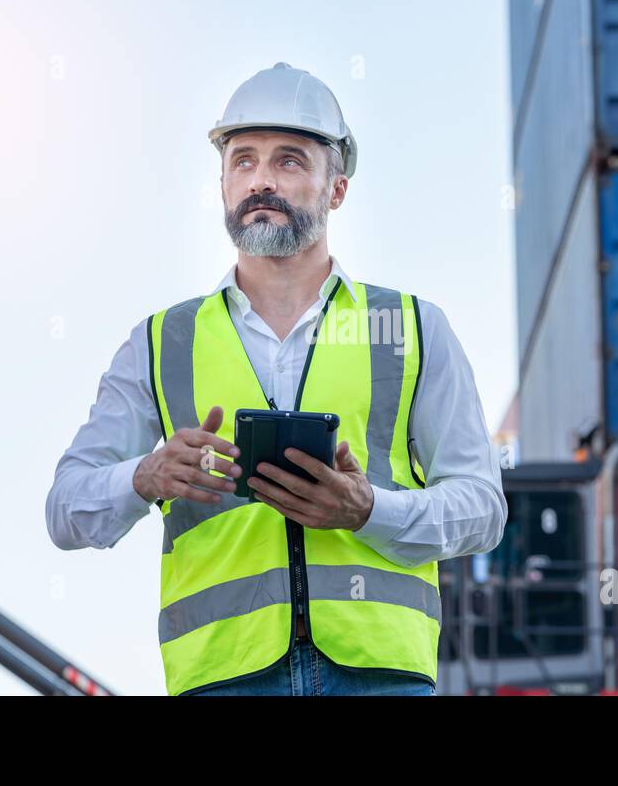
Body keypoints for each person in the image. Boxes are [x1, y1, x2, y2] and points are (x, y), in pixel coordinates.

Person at [46, 62, 505, 696]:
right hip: (222, 678)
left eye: (289, 161)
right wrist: (145, 475)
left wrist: (369, 509)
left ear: (336, 187)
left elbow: (483, 509)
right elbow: (66, 511)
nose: (261, 179)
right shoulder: (161, 341)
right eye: (243, 161)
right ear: (224, 183)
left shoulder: (411, 327)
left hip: (380, 678)